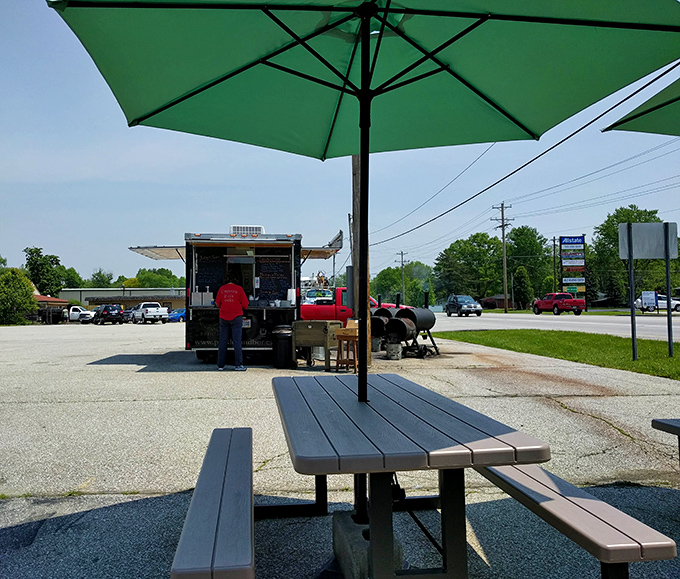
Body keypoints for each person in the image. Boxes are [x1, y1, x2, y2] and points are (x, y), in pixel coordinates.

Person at [215, 273, 249, 371]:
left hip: (223, 317)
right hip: (236, 317)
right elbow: (245, 304)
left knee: (222, 341)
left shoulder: (221, 289)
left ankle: (220, 365)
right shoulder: (239, 289)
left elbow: (218, 303)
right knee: (237, 342)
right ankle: (238, 365)